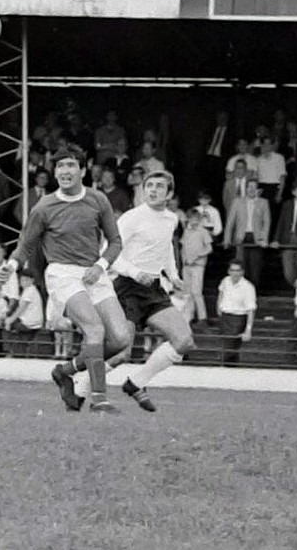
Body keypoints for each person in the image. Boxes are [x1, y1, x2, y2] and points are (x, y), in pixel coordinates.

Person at [10, 147, 132, 414]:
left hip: (93, 272)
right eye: (60, 166)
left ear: (83, 170)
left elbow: (115, 242)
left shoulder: (98, 199)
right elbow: (26, 243)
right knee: (95, 330)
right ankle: (99, 400)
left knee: (121, 339)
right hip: (62, 273)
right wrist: (10, 266)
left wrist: (100, 266)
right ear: (55, 172)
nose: (65, 171)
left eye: (71, 165)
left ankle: (65, 371)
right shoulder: (44, 206)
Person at [108, 171, 197, 412]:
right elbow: (109, 253)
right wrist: (135, 272)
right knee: (120, 354)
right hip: (127, 286)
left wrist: (173, 275)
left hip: (153, 288)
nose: (153, 190)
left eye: (160, 186)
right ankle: (79, 385)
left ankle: (135, 383)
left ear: (169, 194)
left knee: (184, 341)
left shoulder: (171, 219)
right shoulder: (131, 218)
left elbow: (165, 247)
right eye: (149, 185)